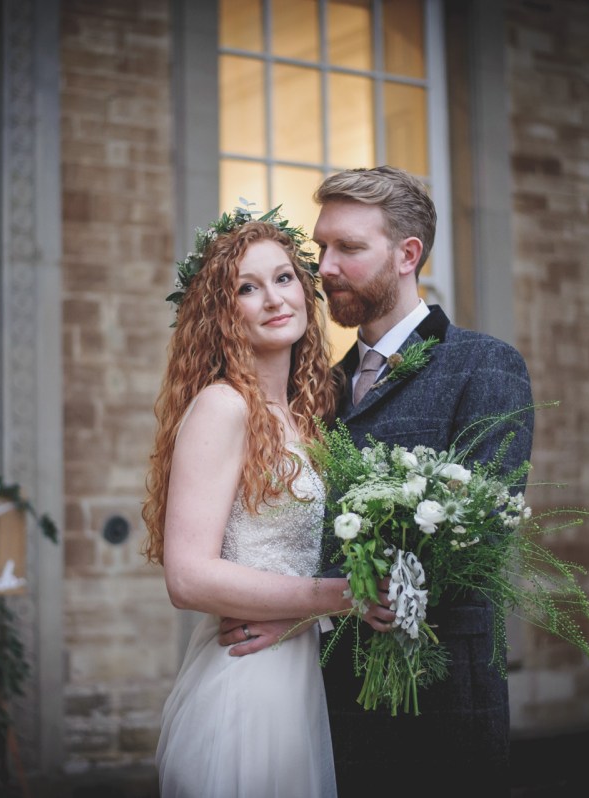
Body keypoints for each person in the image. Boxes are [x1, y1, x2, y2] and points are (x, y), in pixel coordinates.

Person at [218, 166, 535, 797]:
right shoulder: (320, 388)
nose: (324, 268)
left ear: (407, 255)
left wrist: (306, 613)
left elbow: (476, 540)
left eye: (349, 249)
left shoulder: (483, 365)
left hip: (441, 705)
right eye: (321, 249)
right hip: (326, 703)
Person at [141, 211, 396, 798]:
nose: (273, 299)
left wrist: (308, 612)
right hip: (247, 680)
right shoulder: (222, 406)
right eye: (246, 288)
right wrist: (340, 597)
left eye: (283, 279)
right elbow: (187, 577)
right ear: (221, 314)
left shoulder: (306, 416)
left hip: (302, 670)